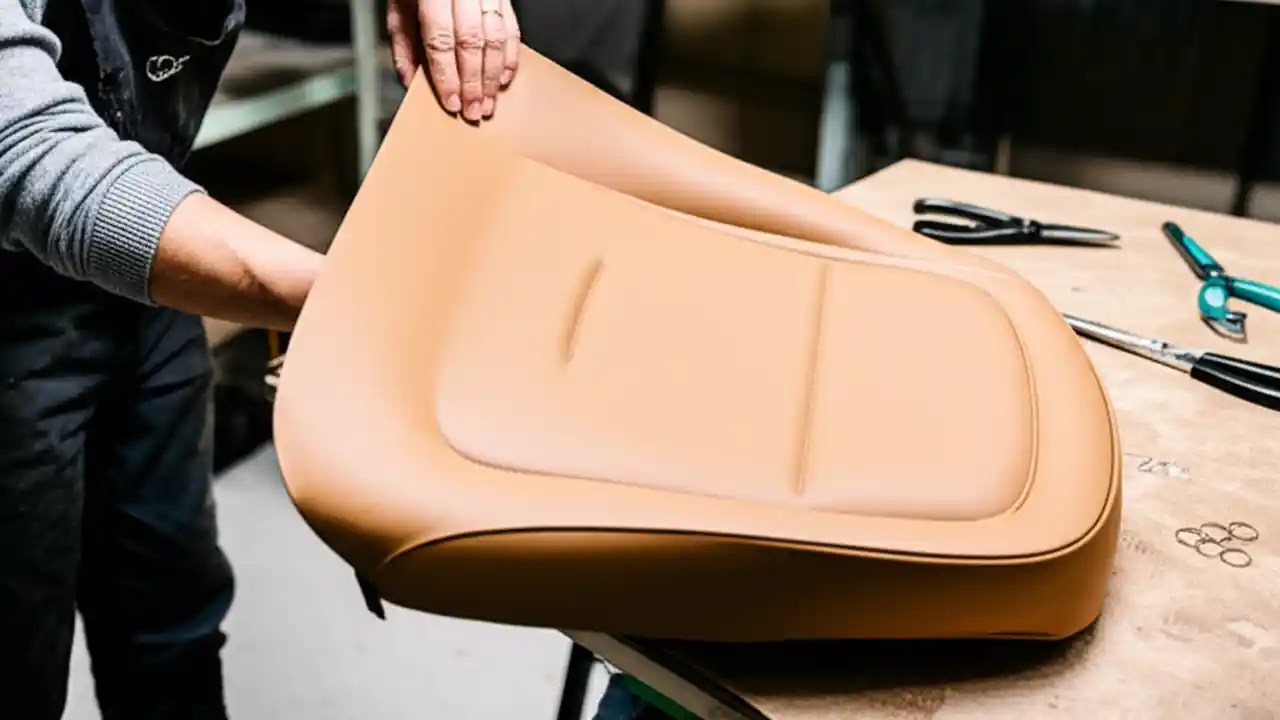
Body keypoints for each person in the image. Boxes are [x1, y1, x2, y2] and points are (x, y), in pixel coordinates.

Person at [0, 0, 521, 717]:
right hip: (15, 304)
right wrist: (360, 303)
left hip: (144, 294)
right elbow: (29, 154)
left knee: (172, 621)